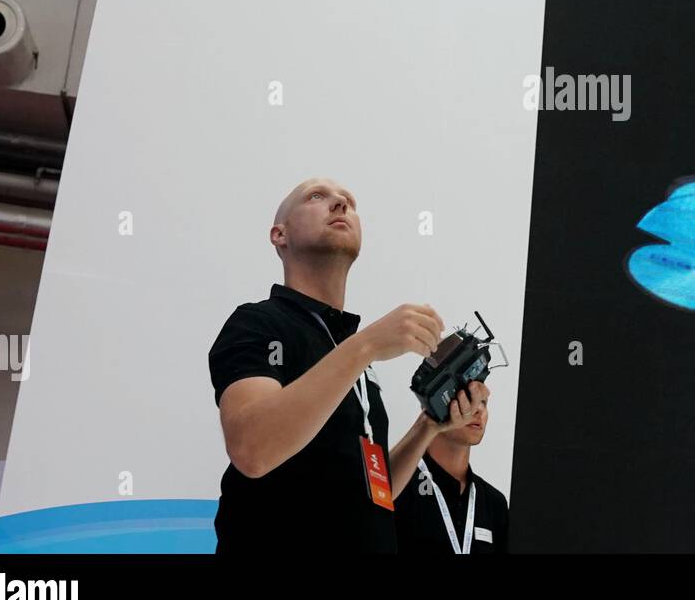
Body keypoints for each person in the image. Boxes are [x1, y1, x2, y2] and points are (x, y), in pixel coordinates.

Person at [208, 176, 489, 554]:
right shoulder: (259, 323)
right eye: (316, 196)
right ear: (280, 235)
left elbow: (375, 491)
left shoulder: (353, 359)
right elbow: (252, 449)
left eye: (349, 202)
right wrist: (368, 345)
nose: (340, 204)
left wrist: (429, 426)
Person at [395, 396, 509, 554]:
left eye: (483, 402)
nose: (478, 409)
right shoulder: (397, 487)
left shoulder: (494, 504)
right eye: (467, 399)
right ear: (431, 406)